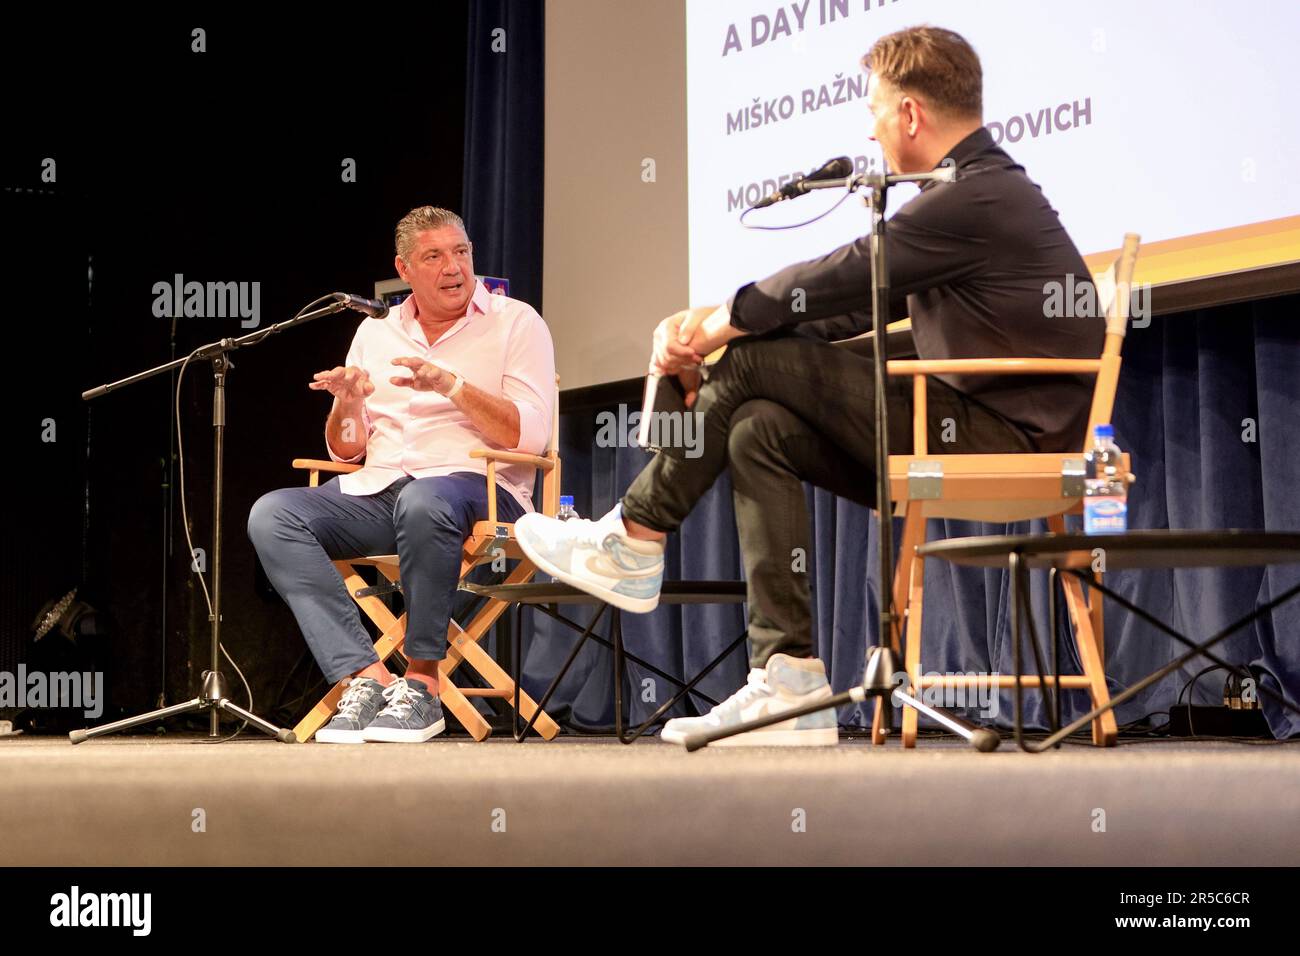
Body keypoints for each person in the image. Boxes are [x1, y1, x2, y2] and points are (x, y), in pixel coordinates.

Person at [516, 26, 1102, 747]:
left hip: (1005, 442)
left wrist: (725, 325)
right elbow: (853, 306)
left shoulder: (977, 197)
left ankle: (635, 538)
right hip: (970, 421)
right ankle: (790, 678)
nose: (871, 126)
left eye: (874, 109)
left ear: (910, 115)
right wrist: (718, 329)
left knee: (752, 368)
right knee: (759, 424)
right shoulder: (969, 195)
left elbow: (846, 272)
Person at [248, 206, 555, 743]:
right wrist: (346, 404)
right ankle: (364, 676)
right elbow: (348, 451)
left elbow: (528, 435)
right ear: (405, 268)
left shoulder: (516, 322)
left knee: (426, 500)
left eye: (461, 252)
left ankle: (423, 687)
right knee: (273, 514)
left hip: (482, 489)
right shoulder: (376, 331)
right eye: (433, 256)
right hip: (384, 489)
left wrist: (451, 386)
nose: (453, 267)